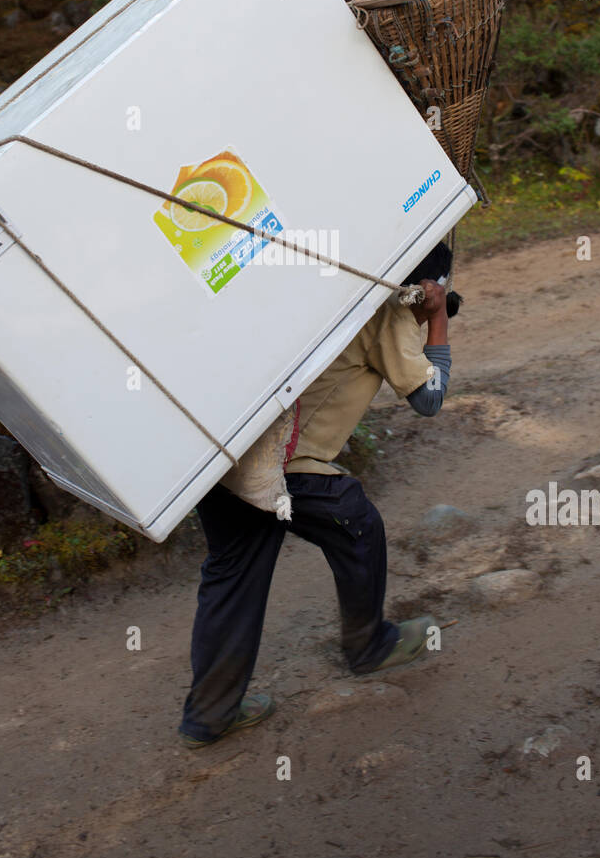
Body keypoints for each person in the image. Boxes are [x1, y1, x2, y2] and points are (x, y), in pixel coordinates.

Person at [178, 241, 460, 748]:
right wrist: (437, 319)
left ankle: (209, 715)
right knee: (359, 526)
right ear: (427, 286)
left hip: (231, 452)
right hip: (286, 468)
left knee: (232, 576)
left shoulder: (337, 284)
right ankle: (370, 646)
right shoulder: (391, 311)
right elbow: (429, 399)